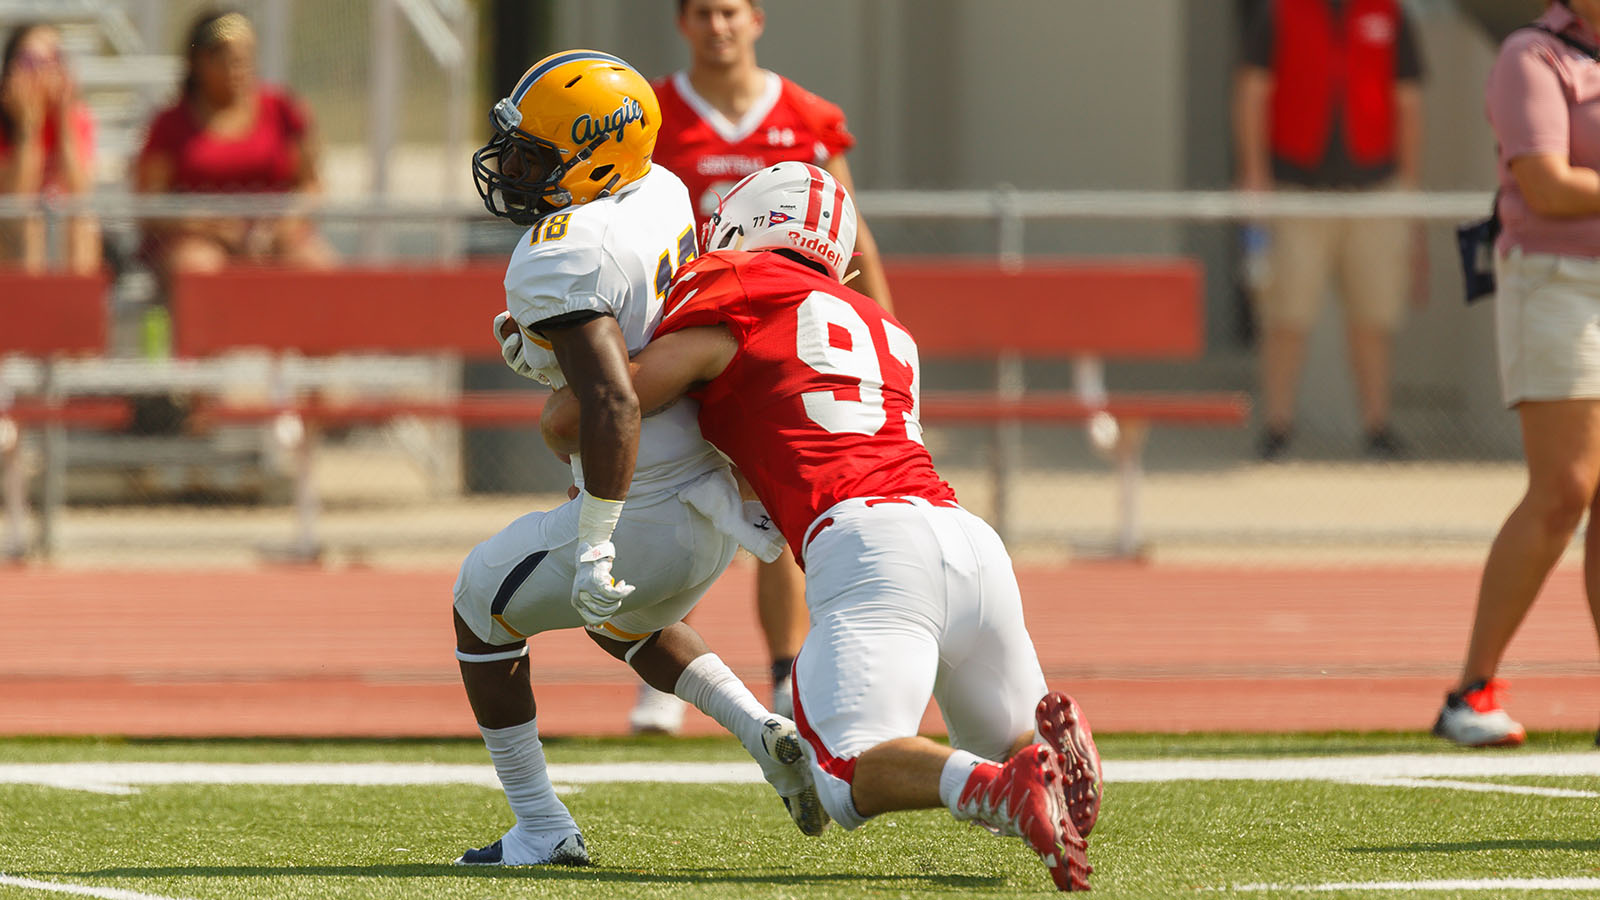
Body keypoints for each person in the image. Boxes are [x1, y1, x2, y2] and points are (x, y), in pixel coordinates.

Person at [543, 162, 1101, 892]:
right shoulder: (885, 327)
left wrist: (563, 376)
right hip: (967, 540)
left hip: (872, 546)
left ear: (746, 225)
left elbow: (606, 405)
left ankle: (995, 784)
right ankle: (1034, 766)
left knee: (843, 772)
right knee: (1019, 762)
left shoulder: (738, 284)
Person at [453, 50, 824, 867]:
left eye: (536, 156)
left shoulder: (556, 254)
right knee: (627, 621)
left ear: (595, 155)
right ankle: (762, 732)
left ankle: (540, 827)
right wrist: (555, 361)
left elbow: (614, 399)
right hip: (708, 497)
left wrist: (593, 541)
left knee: (479, 603)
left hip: (642, 504)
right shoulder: (659, 187)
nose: (513, 171)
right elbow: (636, 337)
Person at [626, 0, 898, 734]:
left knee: (774, 500)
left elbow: (846, 223)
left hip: (775, 334)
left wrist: (883, 319)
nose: (720, 26)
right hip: (686, 326)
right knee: (668, 492)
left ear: (757, 19)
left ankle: (785, 674)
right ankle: (661, 665)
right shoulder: (649, 111)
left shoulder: (805, 114)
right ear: (683, 23)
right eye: (705, 12)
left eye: (731, 11)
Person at [1434, 0, 1600, 748]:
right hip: (1557, 282)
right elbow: (1547, 186)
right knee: (1565, 488)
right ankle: (1470, 689)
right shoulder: (1530, 55)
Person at [1234, 0, 1425, 459]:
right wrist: (1255, 174)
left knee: (1373, 317)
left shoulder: (1391, 14)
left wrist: (1410, 188)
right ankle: (1277, 428)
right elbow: (1251, 91)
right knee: (1286, 315)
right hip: (1295, 189)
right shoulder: (1280, 12)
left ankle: (1376, 427)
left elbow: (1410, 103)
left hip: (1375, 189)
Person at [134, 8, 334, 280]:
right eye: (228, 61)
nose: (239, 70)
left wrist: (285, 223)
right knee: (199, 269)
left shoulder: (282, 110)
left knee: (315, 265)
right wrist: (206, 224)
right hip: (196, 238)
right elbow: (149, 206)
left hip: (273, 235)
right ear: (200, 62)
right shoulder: (170, 123)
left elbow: (310, 185)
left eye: (245, 60)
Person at [0, 22, 97, 273]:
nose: (43, 72)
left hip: (61, 223)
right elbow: (15, 200)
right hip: (12, 230)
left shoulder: (76, 118)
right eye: (32, 62)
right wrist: (27, 129)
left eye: (54, 59)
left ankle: (75, 310)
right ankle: (28, 311)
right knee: (28, 224)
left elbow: (80, 192)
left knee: (82, 224)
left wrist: (64, 121)